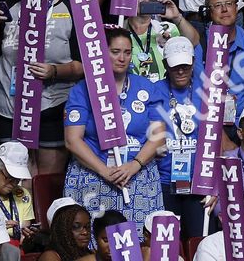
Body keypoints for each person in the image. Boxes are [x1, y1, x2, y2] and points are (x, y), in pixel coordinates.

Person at [61, 27, 166, 227]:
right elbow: (72, 140)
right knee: (96, 242)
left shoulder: (147, 88)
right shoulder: (83, 89)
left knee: (136, 242)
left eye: (127, 53)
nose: (122, 58)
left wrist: (135, 165)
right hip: (94, 175)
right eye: (115, 52)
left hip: (137, 177)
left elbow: (158, 136)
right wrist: (104, 171)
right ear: (102, 53)